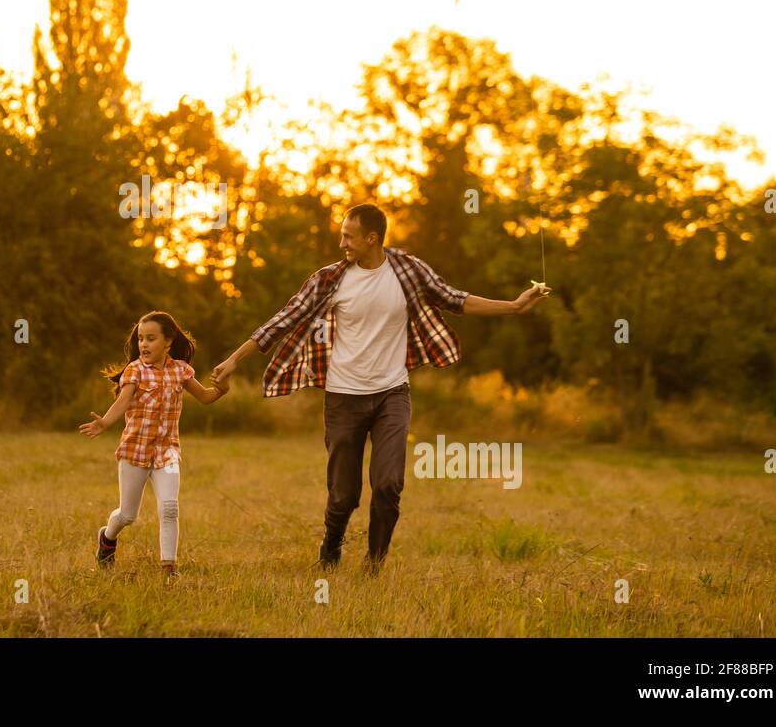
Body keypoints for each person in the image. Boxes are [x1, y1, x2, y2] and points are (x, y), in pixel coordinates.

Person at [212, 204, 548, 571]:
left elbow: (454, 299)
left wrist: (513, 307)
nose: (341, 242)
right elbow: (282, 320)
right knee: (344, 495)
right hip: (343, 397)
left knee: (388, 485)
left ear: (372, 238)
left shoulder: (407, 270)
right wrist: (233, 360)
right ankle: (332, 543)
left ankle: (374, 562)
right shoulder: (330, 280)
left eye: (348, 236)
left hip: (392, 393)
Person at [80, 311, 229, 580]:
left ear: (168, 342)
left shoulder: (181, 371)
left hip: (167, 452)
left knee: (170, 508)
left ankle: (169, 568)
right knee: (127, 515)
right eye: (140, 339)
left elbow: (206, 397)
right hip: (134, 451)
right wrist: (105, 423)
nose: (144, 345)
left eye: (151, 338)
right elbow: (122, 402)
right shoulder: (135, 371)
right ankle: (107, 537)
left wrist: (222, 389)